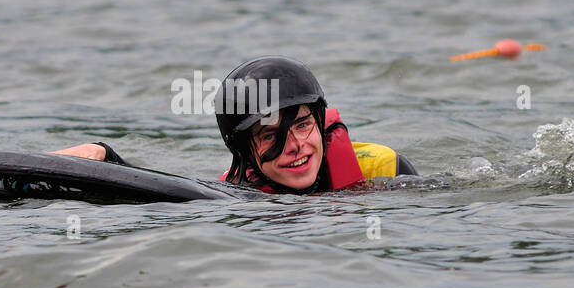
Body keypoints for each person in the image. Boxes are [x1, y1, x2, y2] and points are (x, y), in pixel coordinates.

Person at [53, 56, 417, 194]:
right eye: (271, 135)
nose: (297, 146)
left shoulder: (383, 168)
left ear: (321, 123)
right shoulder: (240, 195)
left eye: (304, 125)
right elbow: (164, 193)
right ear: (243, 150)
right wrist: (107, 158)